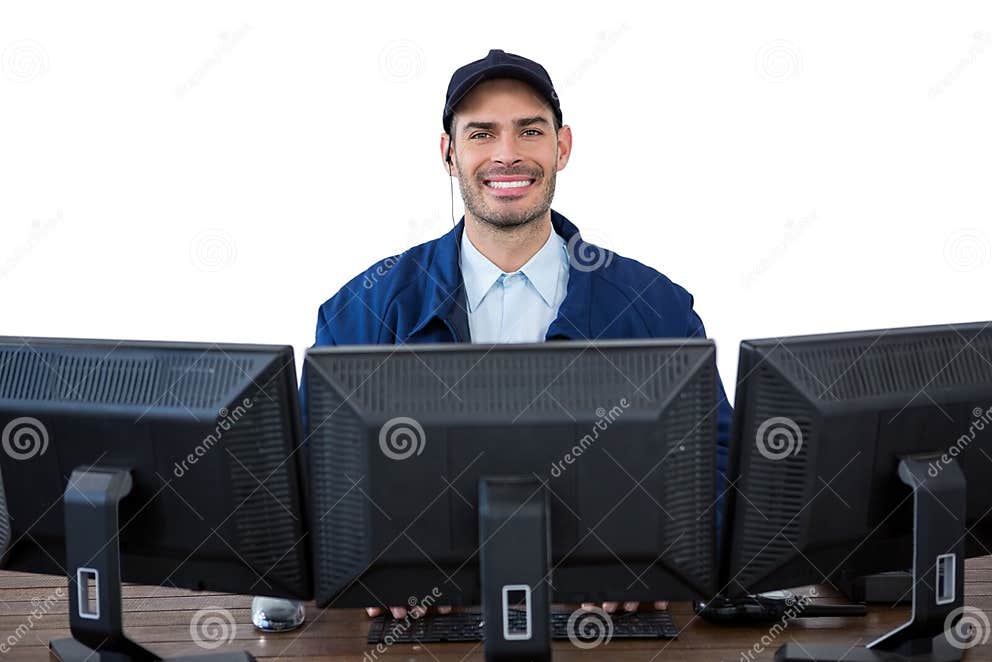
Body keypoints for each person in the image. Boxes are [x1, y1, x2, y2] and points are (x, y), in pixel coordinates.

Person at [253, 48, 732, 630]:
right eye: (481, 133)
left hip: (608, 628)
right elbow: (311, 483)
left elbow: (718, 470)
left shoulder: (656, 308)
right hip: (419, 632)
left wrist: (657, 561)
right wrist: (370, 568)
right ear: (448, 154)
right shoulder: (361, 311)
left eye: (529, 131)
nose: (507, 154)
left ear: (562, 148)